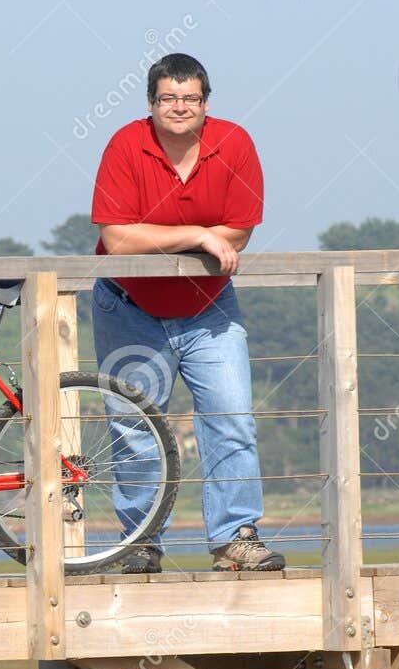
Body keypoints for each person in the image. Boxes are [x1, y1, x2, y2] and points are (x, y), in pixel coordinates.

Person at [90, 52, 284, 574]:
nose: (180, 107)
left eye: (190, 98)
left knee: (232, 419)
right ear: (151, 103)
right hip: (129, 307)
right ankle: (140, 542)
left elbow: (238, 233)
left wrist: (159, 235)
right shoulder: (125, 145)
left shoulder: (235, 143)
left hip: (209, 308)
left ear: (206, 103)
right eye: (168, 98)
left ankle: (235, 538)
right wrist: (198, 234)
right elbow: (117, 239)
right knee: (135, 429)